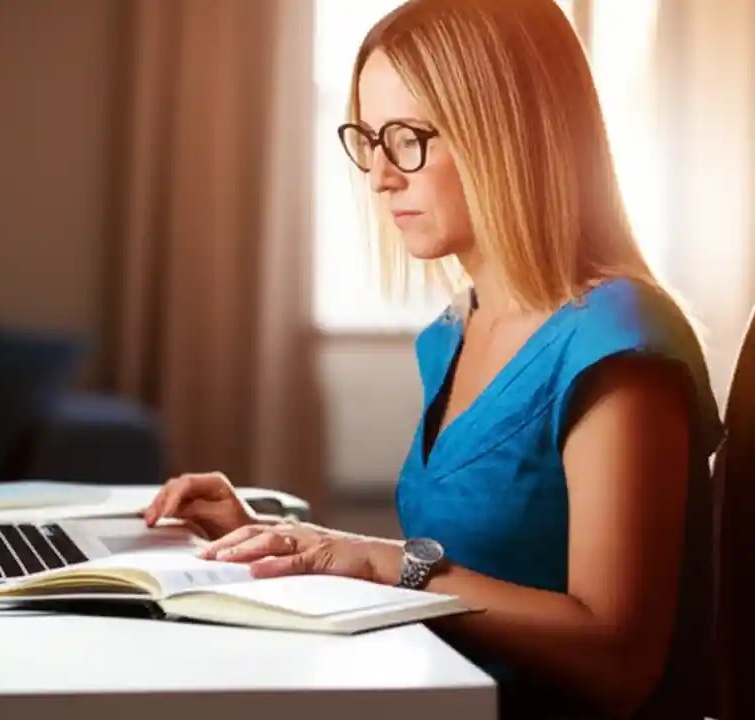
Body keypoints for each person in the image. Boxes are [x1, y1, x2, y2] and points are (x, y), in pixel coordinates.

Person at [141, 1, 723, 718]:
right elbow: (480, 571)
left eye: (409, 138)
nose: (380, 175)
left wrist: (365, 557)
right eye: (367, 139)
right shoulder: (454, 329)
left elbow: (619, 661)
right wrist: (271, 543)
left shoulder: (617, 339)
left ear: (509, 135)